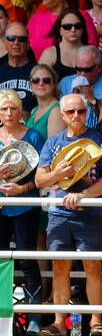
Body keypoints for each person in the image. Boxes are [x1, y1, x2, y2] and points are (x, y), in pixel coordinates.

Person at [33, 93, 102, 336]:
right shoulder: (53, 141)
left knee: (92, 266)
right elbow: (40, 180)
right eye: (70, 112)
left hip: (91, 213)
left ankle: (97, 322)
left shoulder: (99, 140)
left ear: (86, 112)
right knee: (60, 267)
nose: (76, 116)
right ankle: (60, 323)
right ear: (62, 115)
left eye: (80, 111)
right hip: (59, 214)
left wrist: (86, 194)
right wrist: (57, 173)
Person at [0, 88, 44, 307]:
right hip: (1, 206)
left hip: (25, 204)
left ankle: (35, 315)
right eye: (4, 109)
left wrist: (23, 188)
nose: (9, 113)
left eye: (13, 108)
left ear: (20, 111)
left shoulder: (34, 135)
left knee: (27, 259)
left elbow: (43, 175)